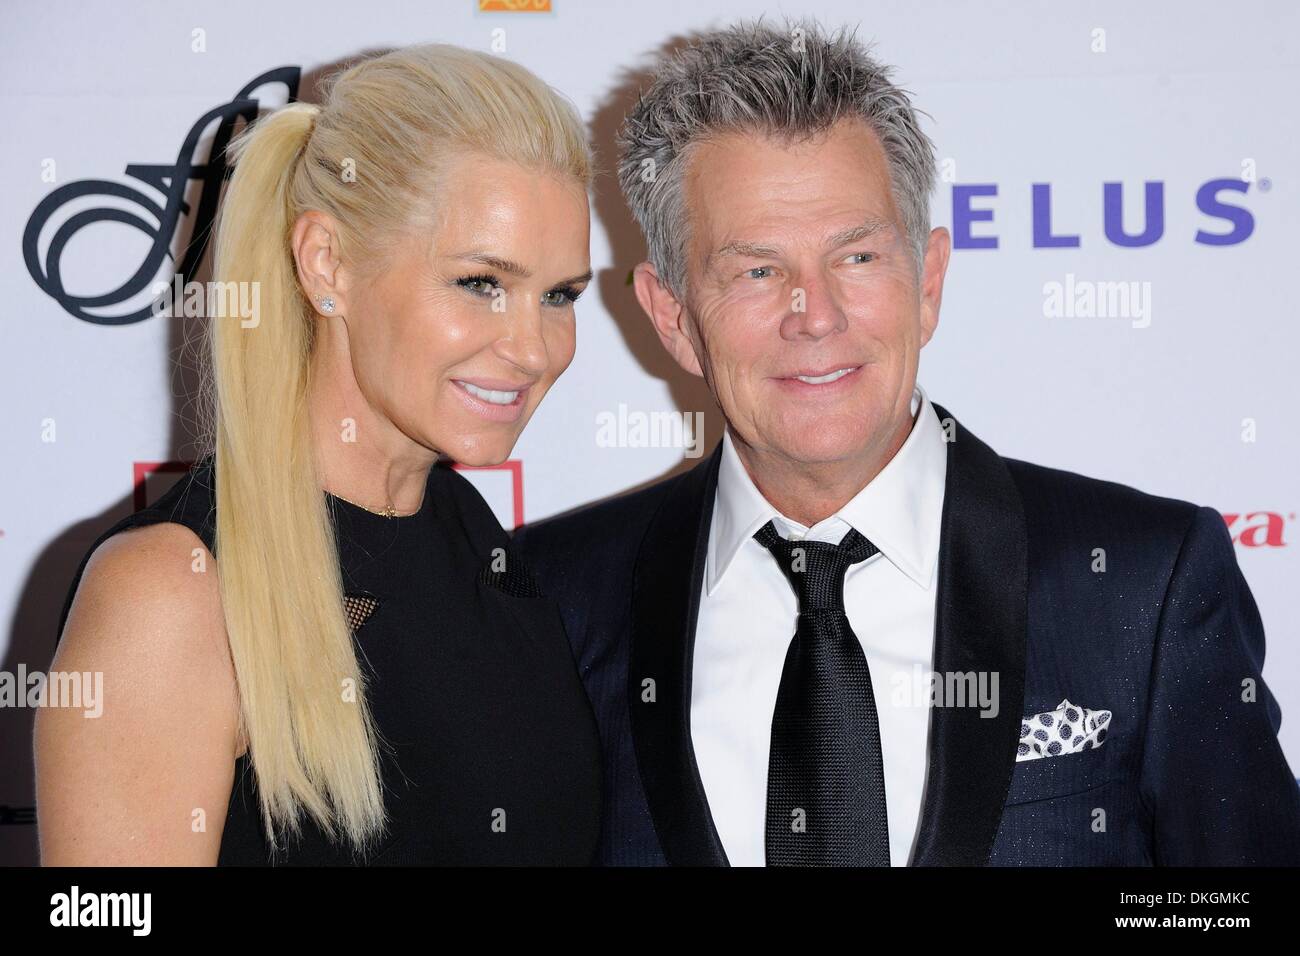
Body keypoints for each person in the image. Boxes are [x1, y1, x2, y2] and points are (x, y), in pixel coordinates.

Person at [513, 18, 1300, 866]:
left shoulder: (1145, 580)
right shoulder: (552, 600)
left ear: (927, 282)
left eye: (856, 258)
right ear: (674, 319)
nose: (815, 314)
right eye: (756, 270)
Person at [37, 44, 600, 865]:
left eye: (559, 296)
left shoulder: (477, 546)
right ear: (326, 261)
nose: (533, 348)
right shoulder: (170, 596)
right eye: (481, 282)